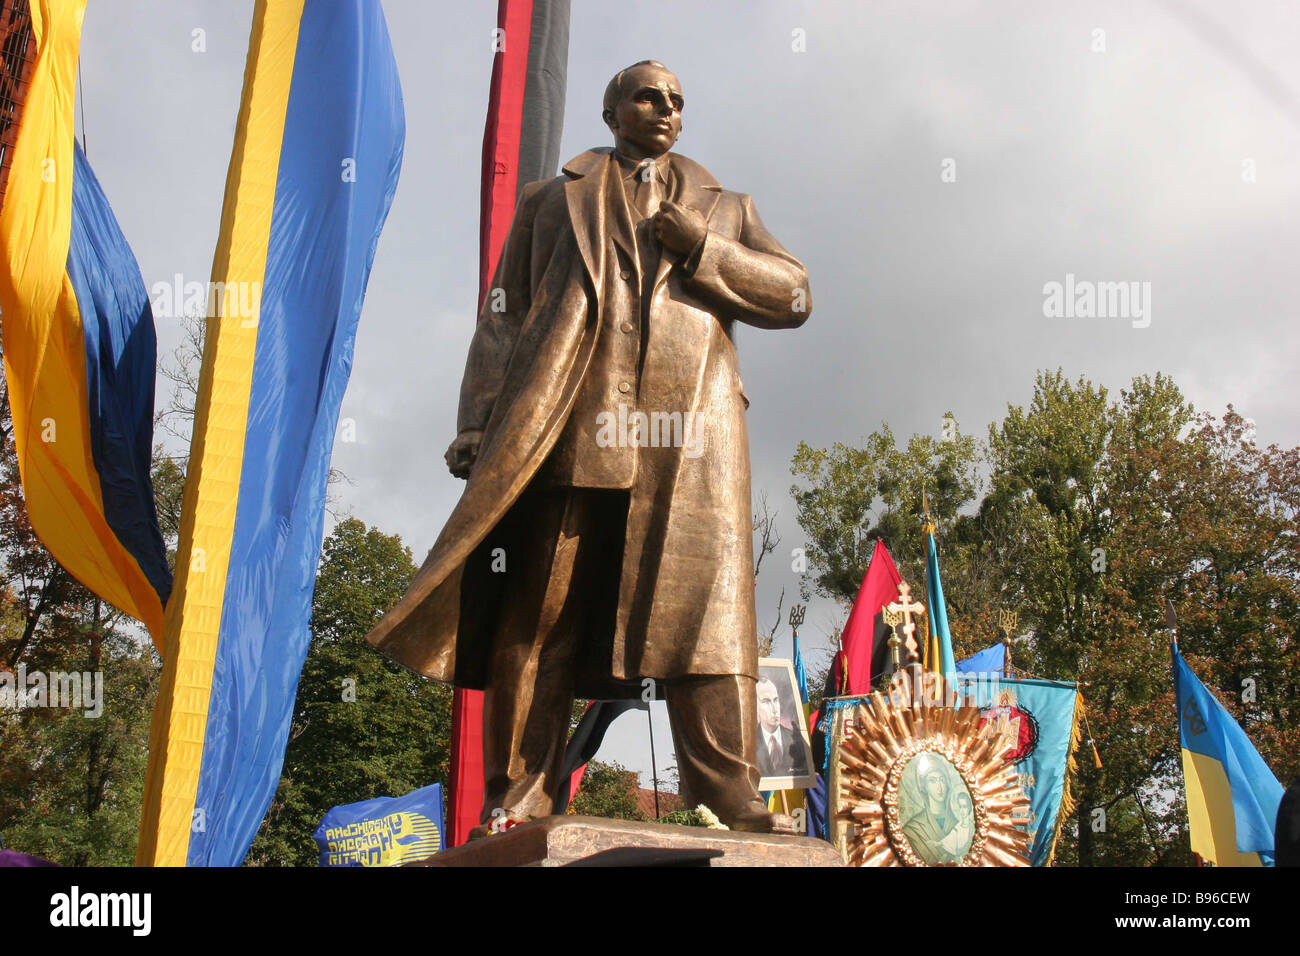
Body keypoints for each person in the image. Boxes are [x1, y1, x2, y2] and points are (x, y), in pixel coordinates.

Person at [365, 60, 811, 835]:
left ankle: (730, 790)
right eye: (648, 95)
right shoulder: (550, 201)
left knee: (706, 618)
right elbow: (503, 315)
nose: (666, 108)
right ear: (612, 112)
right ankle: (519, 793)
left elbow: (794, 294)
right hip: (574, 422)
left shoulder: (726, 206)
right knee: (539, 613)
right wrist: (477, 420)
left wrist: (702, 246)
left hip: (690, 438)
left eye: (677, 100)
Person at [756, 677, 808, 779]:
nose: (774, 709)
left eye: (775, 700)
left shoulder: (797, 740)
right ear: (755, 706)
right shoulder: (747, 744)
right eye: (766, 702)